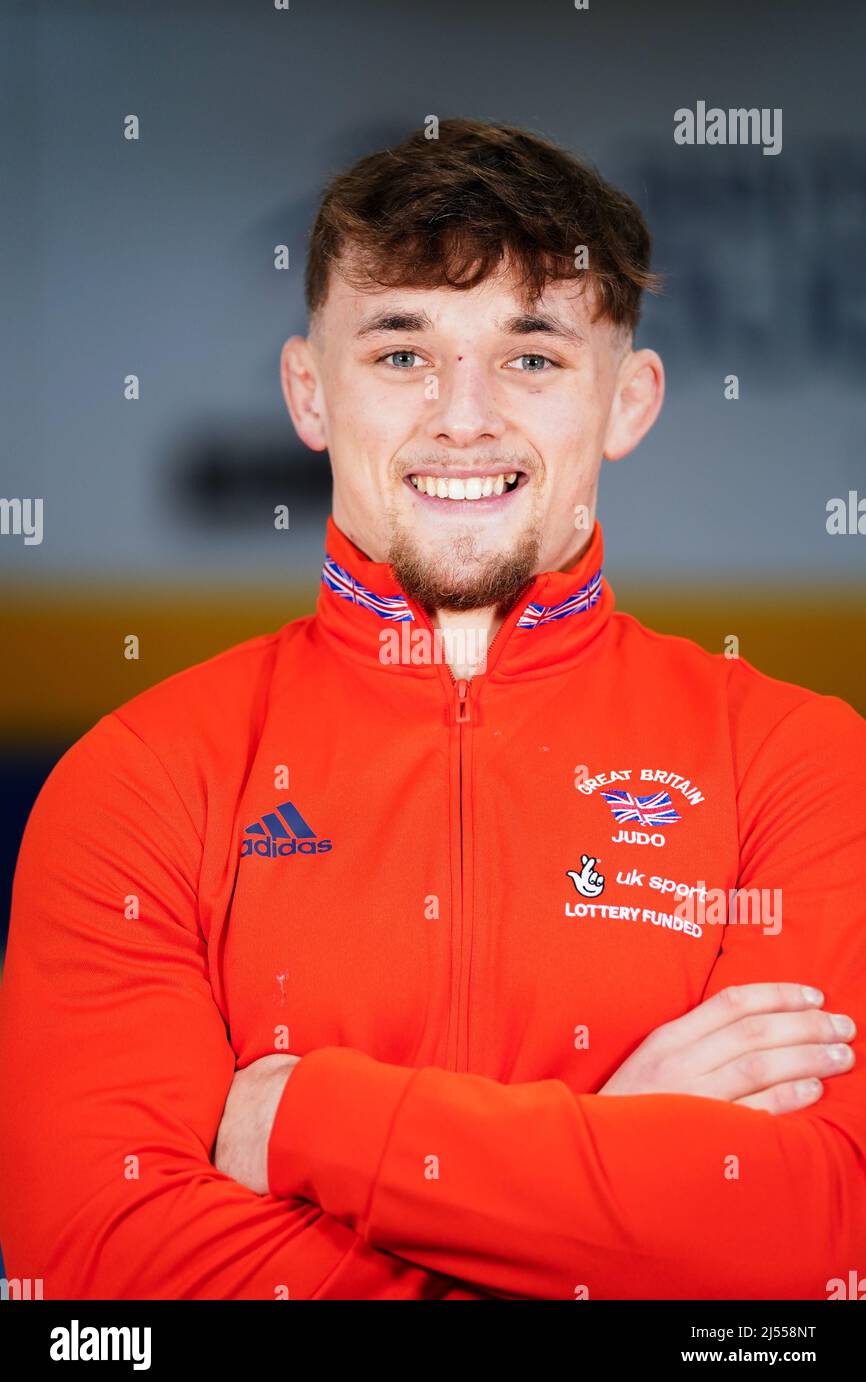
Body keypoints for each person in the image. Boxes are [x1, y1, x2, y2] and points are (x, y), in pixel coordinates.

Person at [1, 118, 864, 1301]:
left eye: (533, 355)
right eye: (401, 353)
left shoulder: (800, 767)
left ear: (628, 400)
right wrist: (616, 1175)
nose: (464, 417)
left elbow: (821, 1243)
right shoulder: (139, 782)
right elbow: (100, 1278)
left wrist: (309, 1118)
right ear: (309, 391)